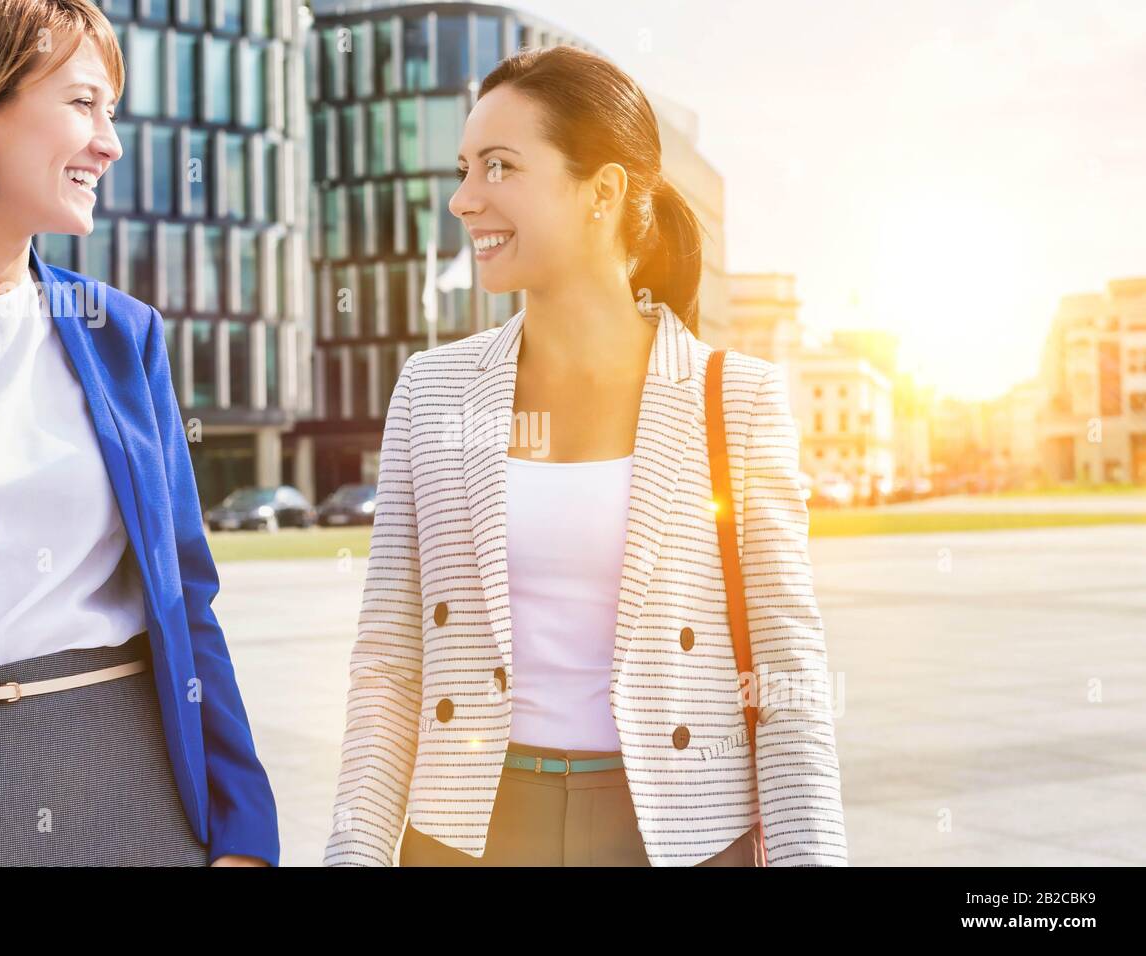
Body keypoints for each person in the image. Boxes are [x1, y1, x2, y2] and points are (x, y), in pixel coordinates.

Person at [324, 45, 847, 866]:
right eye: (465, 168)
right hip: (466, 830)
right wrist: (352, 851)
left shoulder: (736, 398)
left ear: (602, 191)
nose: (465, 200)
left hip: (677, 832)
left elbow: (786, 676)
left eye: (499, 166)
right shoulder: (431, 390)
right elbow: (390, 661)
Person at [0, 0, 277, 867]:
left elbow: (187, 601)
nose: (109, 142)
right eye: (83, 104)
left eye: (111, 112)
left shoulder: (125, 335)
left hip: (138, 793)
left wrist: (241, 834)